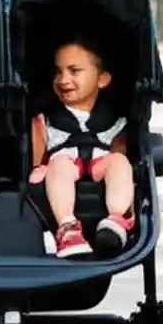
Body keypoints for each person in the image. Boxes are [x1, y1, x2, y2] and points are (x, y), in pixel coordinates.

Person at [28, 38, 135, 258]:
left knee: (120, 162)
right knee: (59, 165)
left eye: (74, 71)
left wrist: (122, 157)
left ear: (102, 79)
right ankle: (67, 226)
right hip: (64, 161)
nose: (64, 79)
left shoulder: (114, 118)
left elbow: (120, 148)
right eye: (58, 72)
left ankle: (116, 219)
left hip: (101, 162)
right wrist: (38, 165)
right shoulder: (48, 117)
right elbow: (39, 145)